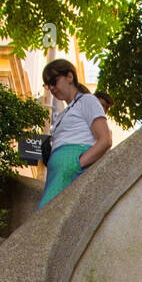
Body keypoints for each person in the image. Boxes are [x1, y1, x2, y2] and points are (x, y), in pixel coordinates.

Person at [38, 59, 111, 209]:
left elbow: (105, 140)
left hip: (70, 168)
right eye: (47, 85)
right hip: (57, 171)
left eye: (54, 81)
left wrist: (77, 164)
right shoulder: (65, 112)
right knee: (48, 219)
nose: (52, 88)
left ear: (70, 76)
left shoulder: (88, 100)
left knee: (45, 217)